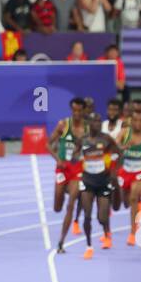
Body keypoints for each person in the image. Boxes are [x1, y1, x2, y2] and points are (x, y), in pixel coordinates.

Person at [48, 97, 89, 253]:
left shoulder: (88, 129)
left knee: (70, 204)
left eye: (80, 110)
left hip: (77, 170)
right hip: (63, 169)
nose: (77, 113)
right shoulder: (63, 125)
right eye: (74, 110)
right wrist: (58, 159)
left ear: (84, 111)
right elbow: (48, 144)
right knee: (57, 207)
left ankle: (61, 243)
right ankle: (66, 191)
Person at [76, 114, 119, 258]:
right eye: (95, 121)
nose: (98, 123)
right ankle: (89, 246)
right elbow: (74, 157)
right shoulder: (83, 140)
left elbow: (119, 152)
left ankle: (107, 234)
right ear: (88, 123)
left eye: (99, 121)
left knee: (102, 217)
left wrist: (113, 168)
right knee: (87, 216)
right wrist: (79, 157)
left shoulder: (106, 139)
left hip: (103, 182)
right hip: (88, 181)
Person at [116, 107, 141, 246]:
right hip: (125, 171)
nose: (137, 123)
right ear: (131, 121)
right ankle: (135, 208)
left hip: (139, 172)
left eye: (140, 121)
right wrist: (123, 146)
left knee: (133, 198)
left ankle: (132, 232)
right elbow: (116, 143)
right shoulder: (125, 132)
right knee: (126, 202)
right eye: (134, 120)